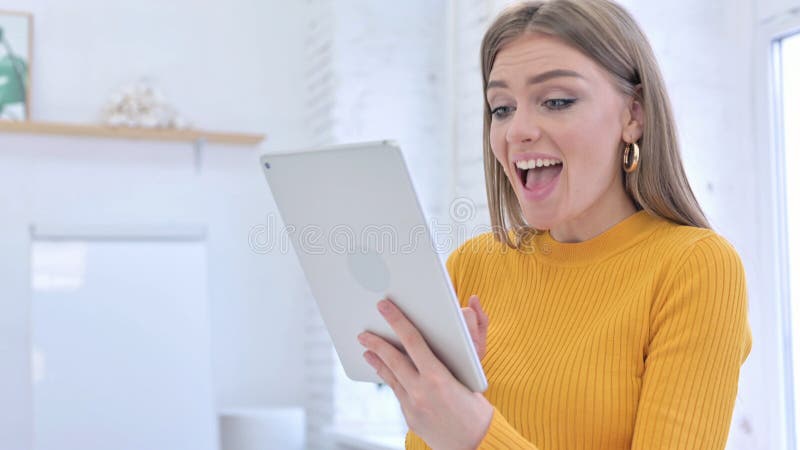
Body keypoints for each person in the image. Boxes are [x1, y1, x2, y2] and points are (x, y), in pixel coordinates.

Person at [356, 0, 753, 448]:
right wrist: (443, 411)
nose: (517, 130)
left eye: (557, 101)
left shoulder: (694, 269)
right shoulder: (471, 268)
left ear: (633, 115)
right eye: (501, 108)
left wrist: (475, 433)